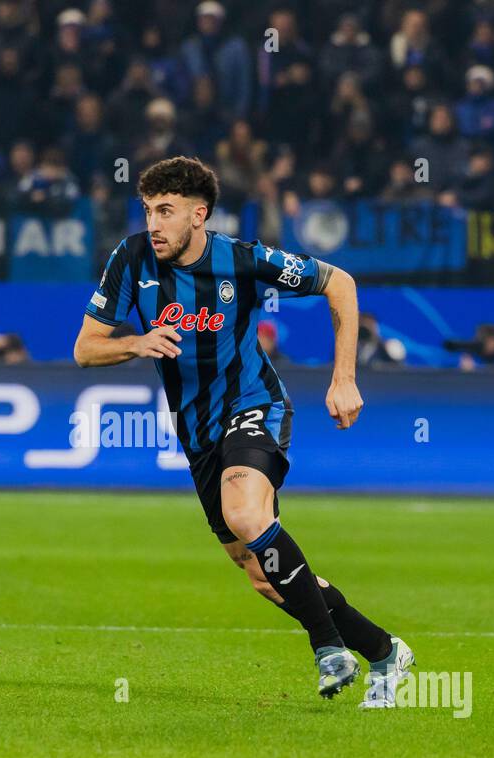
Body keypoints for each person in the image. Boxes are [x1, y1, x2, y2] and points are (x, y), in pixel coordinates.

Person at [73, 156, 413, 706]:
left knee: (245, 512)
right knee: (262, 574)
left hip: (255, 404)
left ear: (199, 214)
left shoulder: (244, 260)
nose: (153, 224)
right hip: (198, 433)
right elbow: (85, 349)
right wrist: (135, 343)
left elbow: (341, 285)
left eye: (166, 211)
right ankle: (383, 651)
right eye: (148, 210)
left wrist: (344, 378)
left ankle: (328, 648)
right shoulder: (131, 258)